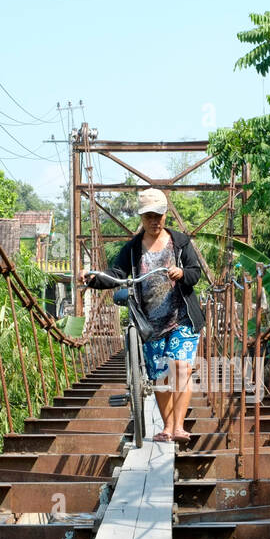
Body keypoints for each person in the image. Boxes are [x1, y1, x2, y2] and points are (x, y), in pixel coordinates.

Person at [83, 188, 205, 442]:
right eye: (149, 216)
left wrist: (182, 273)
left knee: (181, 368)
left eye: (158, 215)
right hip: (150, 324)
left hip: (182, 317)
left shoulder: (180, 242)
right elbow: (116, 273)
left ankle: (179, 426)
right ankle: (168, 427)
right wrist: (93, 280)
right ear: (141, 217)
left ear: (165, 215)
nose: (154, 221)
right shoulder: (132, 249)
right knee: (161, 375)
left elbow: (195, 272)